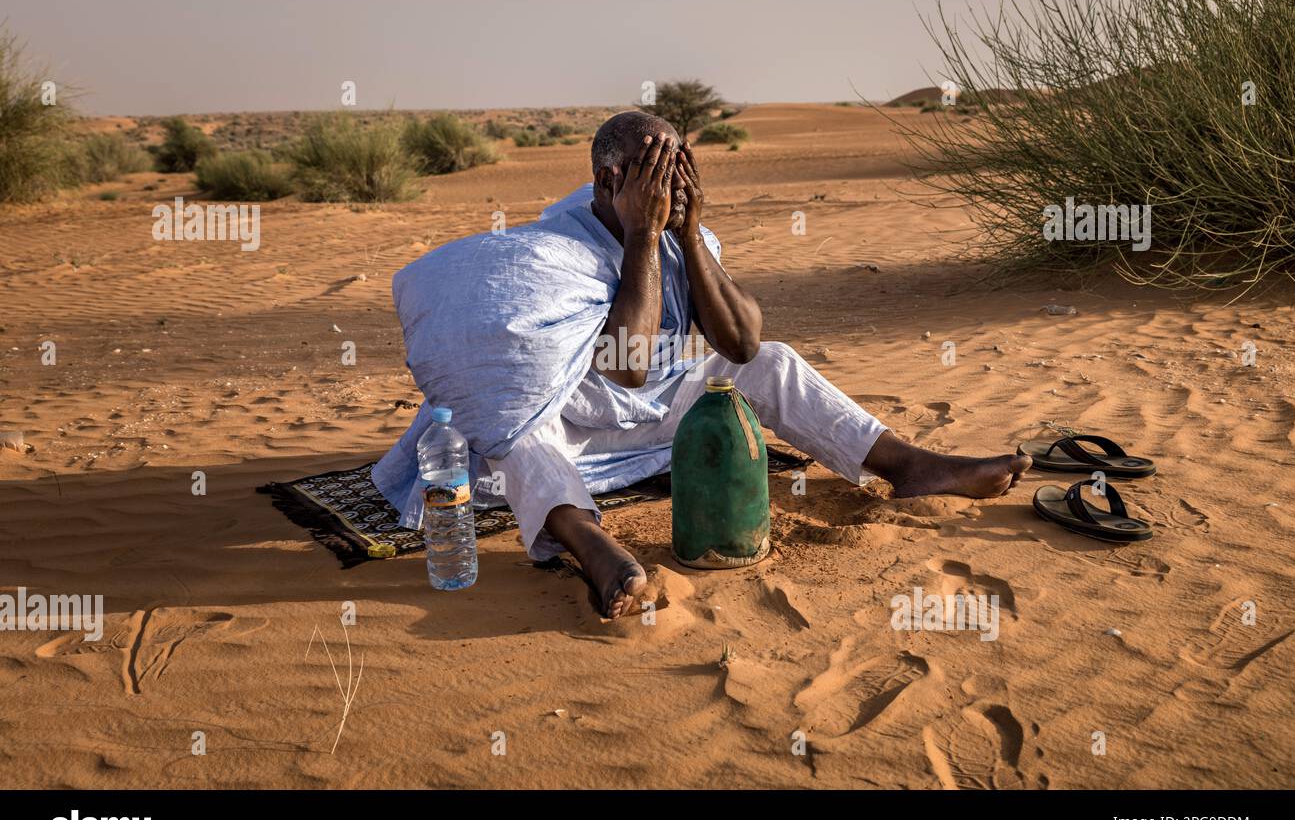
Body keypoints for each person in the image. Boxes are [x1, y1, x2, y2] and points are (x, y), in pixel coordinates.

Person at [374, 111, 1031, 618]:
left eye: (682, 170)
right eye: (657, 174)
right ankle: (590, 545)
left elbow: (741, 342)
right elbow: (626, 363)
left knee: (772, 361)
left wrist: (684, 237)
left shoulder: (686, 235)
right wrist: (641, 236)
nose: (674, 188)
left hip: (659, 411)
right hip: (571, 425)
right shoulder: (558, 252)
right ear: (609, 182)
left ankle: (905, 465)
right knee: (520, 437)